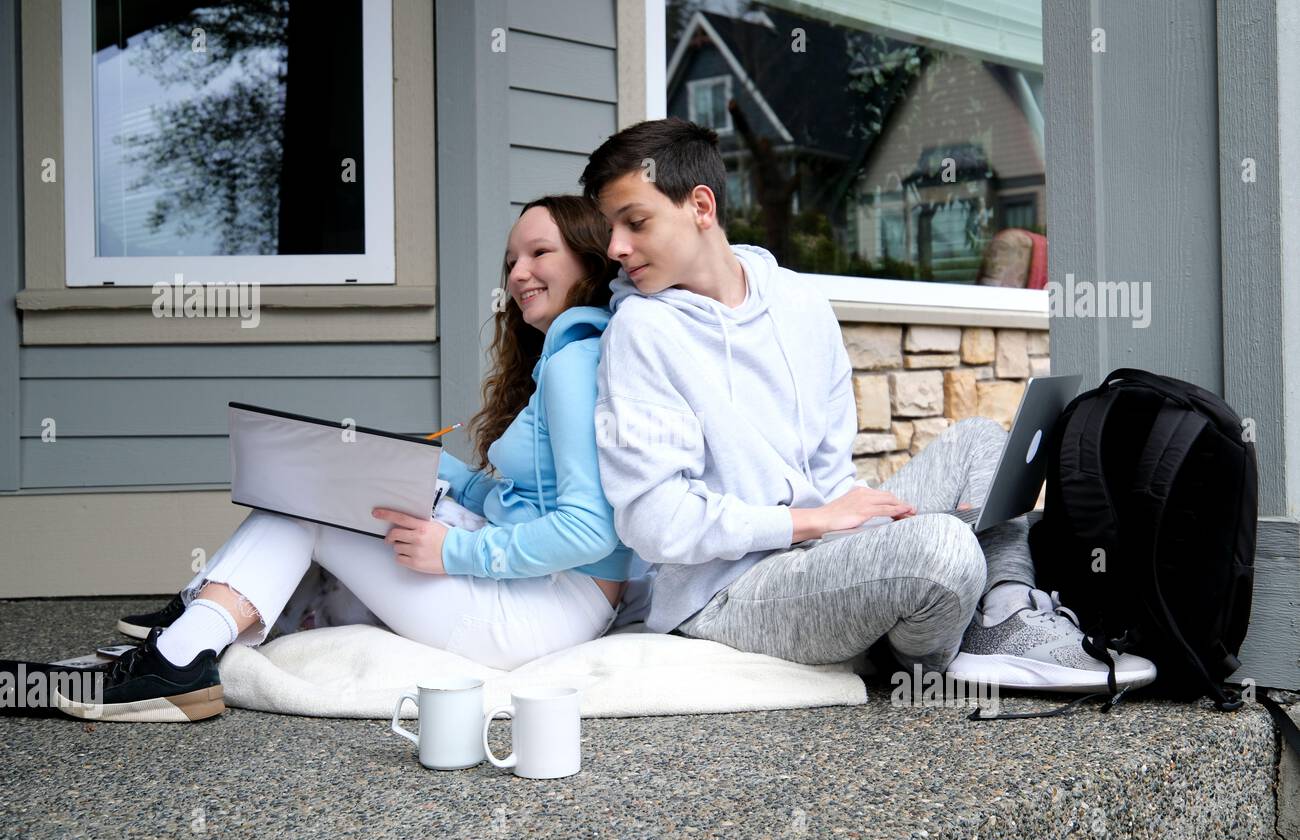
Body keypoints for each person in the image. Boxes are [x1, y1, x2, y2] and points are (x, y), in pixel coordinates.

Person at [579, 118, 1155, 692]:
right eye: (612, 229)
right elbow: (653, 522)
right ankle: (944, 627)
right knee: (944, 549)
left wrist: (855, 526)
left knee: (980, 442)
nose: (616, 248)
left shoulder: (800, 303)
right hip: (727, 592)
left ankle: (1004, 612)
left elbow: (831, 473)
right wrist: (813, 521)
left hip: (824, 550)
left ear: (700, 207)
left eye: (635, 222)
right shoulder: (641, 332)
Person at [54, 195, 637, 722]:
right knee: (343, 491)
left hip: (545, 613)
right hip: (550, 593)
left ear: (589, 261)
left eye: (540, 253)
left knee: (314, 502)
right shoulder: (569, 356)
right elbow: (537, 502)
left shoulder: (572, 364)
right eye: (511, 259)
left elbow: (589, 529)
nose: (518, 273)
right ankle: (194, 628)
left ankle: (181, 651)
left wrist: (456, 551)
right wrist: (451, 479)